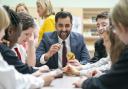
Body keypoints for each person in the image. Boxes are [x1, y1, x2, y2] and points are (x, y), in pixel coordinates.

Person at [0, 5, 54, 89]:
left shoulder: (18, 47)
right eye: (2, 30)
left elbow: (28, 68)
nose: (3, 34)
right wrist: (41, 80)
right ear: (12, 31)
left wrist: (31, 42)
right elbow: (18, 77)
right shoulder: (4, 50)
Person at [73, 13, 127, 89]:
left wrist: (80, 73)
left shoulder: (123, 52)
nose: (100, 28)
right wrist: (81, 67)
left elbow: (112, 75)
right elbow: (99, 62)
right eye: (98, 26)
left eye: (104, 25)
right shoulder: (99, 43)